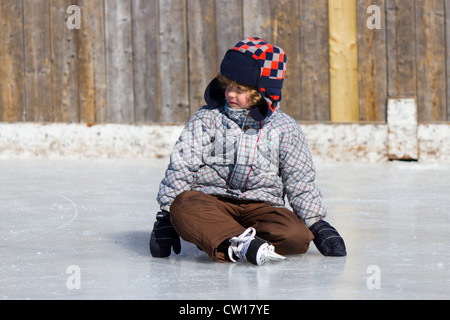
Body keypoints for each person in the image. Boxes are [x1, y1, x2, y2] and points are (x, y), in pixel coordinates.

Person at [150, 37, 346, 265]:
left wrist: (317, 223)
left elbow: (299, 179)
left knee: (297, 237)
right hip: (213, 203)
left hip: (261, 207)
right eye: (227, 85)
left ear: (261, 92)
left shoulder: (285, 127)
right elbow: (182, 166)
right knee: (183, 206)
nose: (230, 94)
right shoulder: (207, 119)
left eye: (240, 89)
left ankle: (227, 239)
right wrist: (166, 215)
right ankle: (240, 242)